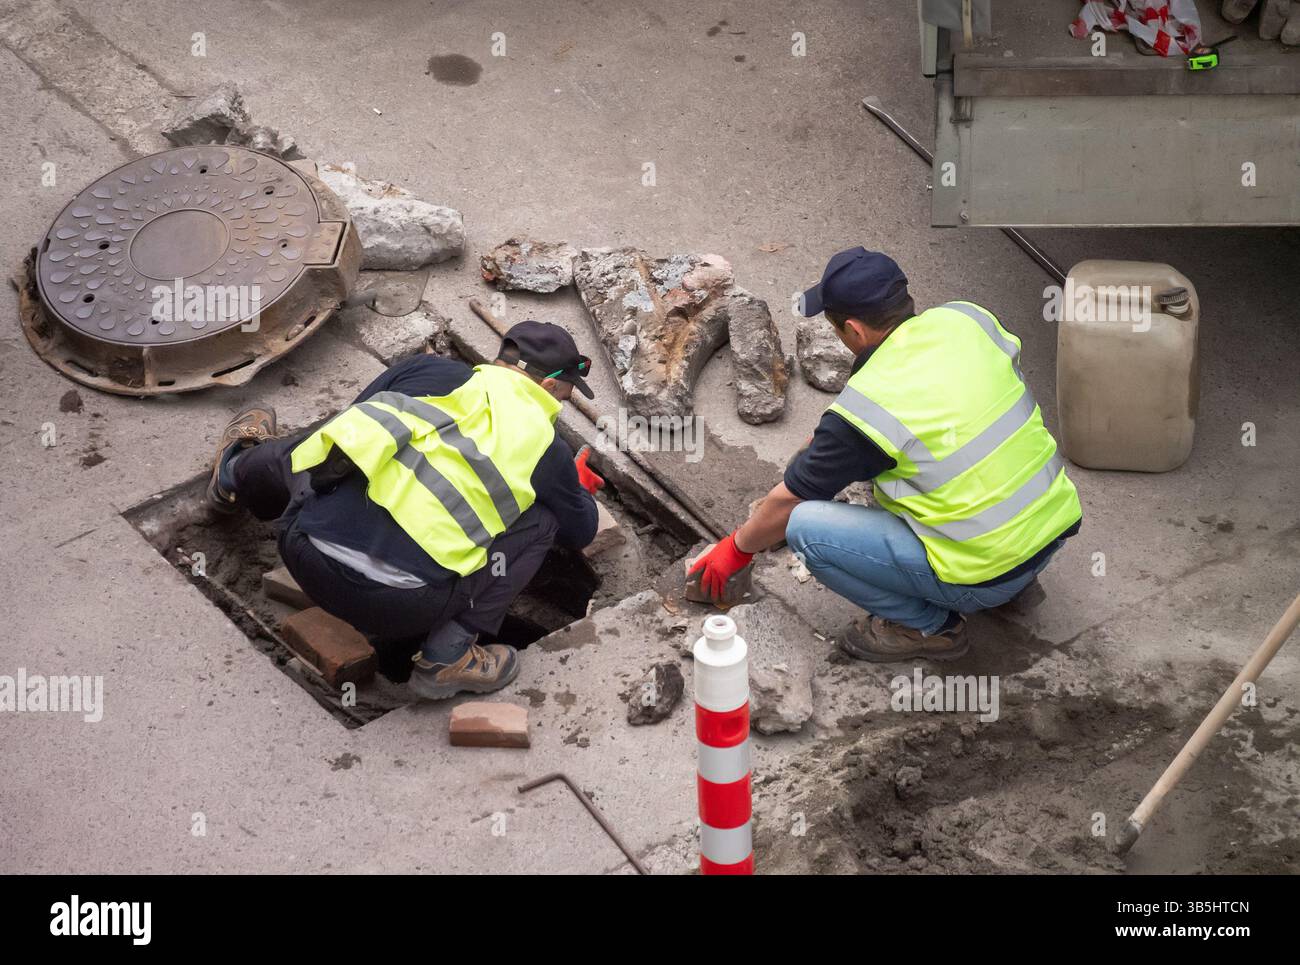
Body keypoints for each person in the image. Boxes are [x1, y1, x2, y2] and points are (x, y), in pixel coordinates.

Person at [690, 248, 1083, 662]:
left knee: (805, 527)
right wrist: (831, 444)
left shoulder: (875, 402)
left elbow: (790, 502)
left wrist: (737, 548)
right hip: (1051, 529)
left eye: (836, 329)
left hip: (982, 570)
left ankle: (931, 629)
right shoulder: (968, 320)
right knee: (945, 465)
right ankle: (1016, 586)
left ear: (855, 331)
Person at [205, 320, 605, 698]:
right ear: (550, 386)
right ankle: (448, 657)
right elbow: (580, 531)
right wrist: (574, 488)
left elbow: (352, 428)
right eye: (565, 397)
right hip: (402, 610)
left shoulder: (423, 369)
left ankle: (234, 474)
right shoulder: (546, 447)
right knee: (543, 521)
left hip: (299, 548)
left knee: (329, 443)